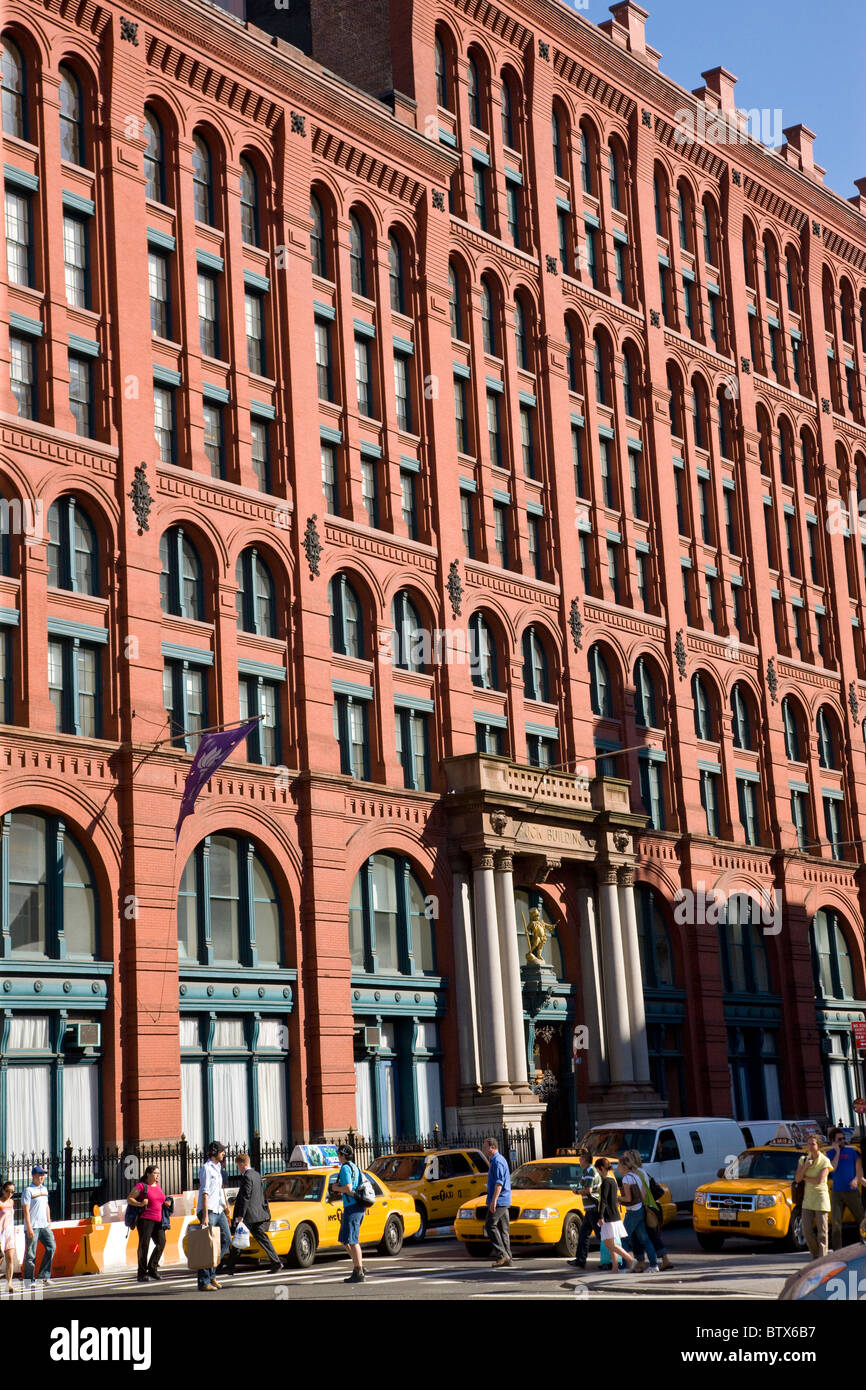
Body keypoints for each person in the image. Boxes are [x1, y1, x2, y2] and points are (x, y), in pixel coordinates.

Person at [227, 1152, 282, 1275]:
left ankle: (230, 1267)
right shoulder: (257, 1175)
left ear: (242, 1164)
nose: (237, 1168)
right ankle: (276, 1262)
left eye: (237, 1166)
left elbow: (246, 1197)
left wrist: (241, 1215)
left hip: (249, 1215)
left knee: (238, 1239)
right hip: (258, 1214)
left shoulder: (247, 1177)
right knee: (262, 1239)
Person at [623, 1148, 673, 1270]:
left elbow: (643, 1192)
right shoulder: (640, 1171)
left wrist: (638, 1204)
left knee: (647, 1235)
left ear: (632, 1160)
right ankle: (644, 1262)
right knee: (642, 1235)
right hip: (645, 1206)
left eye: (626, 1159)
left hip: (645, 1206)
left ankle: (658, 1260)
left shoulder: (638, 1172)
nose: (623, 1161)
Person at [196, 1140, 230, 1292]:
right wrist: (204, 1216)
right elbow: (205, 1192)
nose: (224, 1153)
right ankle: (204, 1282)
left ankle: (212, 1274)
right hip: (208, 1210)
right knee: (206, 1246)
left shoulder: (218, 1168)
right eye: (222, 1151)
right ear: (215, 1152)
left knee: (227, 1239)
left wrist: (225, 1206)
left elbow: (218, 1190)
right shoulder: (206, 1168)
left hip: (218, 1210)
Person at [127, 1164, 169, 1283]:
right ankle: (141, 1273)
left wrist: (167, 1202)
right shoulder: (141, 1186)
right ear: (148, 1174)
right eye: (155, 1173)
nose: (157, 1176)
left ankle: (152, 1268)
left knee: (162, 1242)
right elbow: (129, 1198)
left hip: (158, 1220)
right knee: (144, 1245)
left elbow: (160, 1199)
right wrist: (140, 1204)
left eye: (158, 1174)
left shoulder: (157, 1186)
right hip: (145, 1219)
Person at [618, 1153, 659, 1273]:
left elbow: (628, 1199)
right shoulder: (636, 1176)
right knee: (644, 1238)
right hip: (640, 1209)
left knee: (624, 1239)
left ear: (624, 1167)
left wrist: (618, 1198)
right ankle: (654, 1264)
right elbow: (643, 1194)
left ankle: (625, 1266)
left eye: (619, 1166)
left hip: (632, 1212)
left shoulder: (626, 1178)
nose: (617, 1168)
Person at [795, 1133, 833, 1260]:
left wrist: (805, 1177)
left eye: (813, 1144)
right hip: (808, 1199)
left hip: (821, 1198)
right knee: (806, 1230)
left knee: (822, 1232)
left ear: (819, 1145)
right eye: (809, 1144)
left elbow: (819, 1181)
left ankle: (823, 1259)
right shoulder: (803, 1159)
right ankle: (816, 1256)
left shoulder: (825, 1161)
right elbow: (797, 1179)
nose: (810, 1146)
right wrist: (806, 1167)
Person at [825, 1127, 864, 1250]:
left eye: (843, 1138)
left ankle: (863, 1247)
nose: (842, 1141)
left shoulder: (852, 1152)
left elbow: (859, 1169)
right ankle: (838, 1250)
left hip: (851, 1191)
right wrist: (836, 1152)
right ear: (833, 1141)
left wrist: (856, 1179)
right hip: (837, 1192)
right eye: (839, 1139)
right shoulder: (829, 1154)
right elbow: (833, 1169)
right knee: (836, 1224)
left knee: (861, 1220)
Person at [333, 1143, 366, 1284]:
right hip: (354, 1207)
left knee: (352, 1241)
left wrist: (336, 1187)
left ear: (343, 1155)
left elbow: (348, 1187)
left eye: (339, 1154)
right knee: (345, 1239)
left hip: (352, 1207)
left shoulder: (346, 1168)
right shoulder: (354, 1166)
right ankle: (358, 1266)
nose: (338, 1157)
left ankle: (359, 1271)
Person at [595, 1157, 635, 1272]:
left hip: (608, 1217)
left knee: (609, 1244)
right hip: (615, 1215)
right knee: (611, 1243)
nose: (597, 1172)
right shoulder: (612, 1181)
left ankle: (630, 1259)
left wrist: (600, 1216)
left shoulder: (605, 1182)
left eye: (597, 1170)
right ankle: (615, 1267)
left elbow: (603, 1200)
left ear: (601, 1168)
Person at [568, 1147, 601, 1270]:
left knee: (601, 1236)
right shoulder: (586, 1171)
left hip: (593, 1208)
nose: (579, 1161)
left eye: (580, 1158)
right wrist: (577, 1188)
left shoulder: (590, 1171)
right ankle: (580, 1260)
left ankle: (610, 1260)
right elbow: (582, 1185)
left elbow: (588, 1190)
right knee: (583, 1234)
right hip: (589, 1209)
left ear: (585, 1159)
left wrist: (577, 1191)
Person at [482, 1136, 512, 1270]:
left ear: (492, 1147)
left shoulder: (497, 1161)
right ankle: (508, 1257)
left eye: (485, 1146)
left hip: (500, 1200)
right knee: (504, 1229)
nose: (483, 1148)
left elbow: (499, 1183)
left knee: (490, 1225)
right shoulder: (496, 1160)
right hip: (503, 1199)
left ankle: (502, 1255)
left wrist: (493, 1201)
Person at [22, 1165, 55, 1285]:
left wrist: (49, 1220)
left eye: (43, 1175)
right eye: (40, 1175)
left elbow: (46, 1205)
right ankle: (29, 1280)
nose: (42, 1177)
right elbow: (25, 1210)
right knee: (31, 1253)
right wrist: (29, 1227)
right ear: (34, 1176)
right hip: (33, 1226)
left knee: (51, 1246)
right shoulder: (28, 1190)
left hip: (44, 1225)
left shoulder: (44, 1189)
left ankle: (44, 1276)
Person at [0, 1182, 15, 1291]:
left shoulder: (12, 1202)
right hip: (0, 1233)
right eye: (8, 1191)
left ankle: (9, 1284)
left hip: (9, 1233)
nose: (10, 1194)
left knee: (10, 1258)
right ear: (3, 1190)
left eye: (12, 1192)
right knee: (0, 1259)